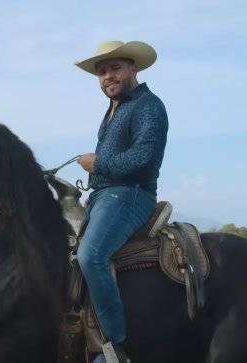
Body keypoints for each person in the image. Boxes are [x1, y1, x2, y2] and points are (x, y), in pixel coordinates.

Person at [75, 40, 168, 363]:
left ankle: (114, 346)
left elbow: (144, 158)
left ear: (133, 68)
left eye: (114, 68)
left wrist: (97, 163)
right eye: (101, 72)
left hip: (132, 195)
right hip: (104, 195)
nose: (107, 76)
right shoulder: (115, 108)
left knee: (91, 256)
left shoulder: (149, 106)